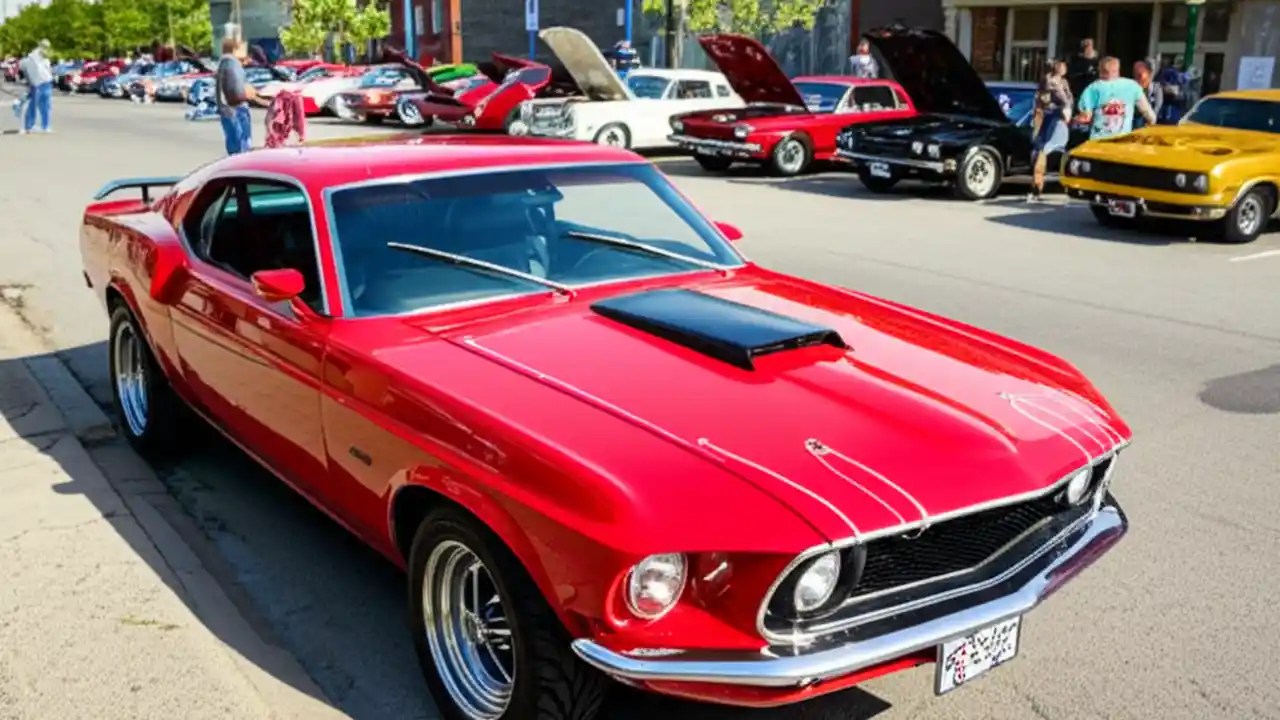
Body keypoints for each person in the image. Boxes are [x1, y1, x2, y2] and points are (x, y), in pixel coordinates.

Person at [1075, 56, 1157, 140]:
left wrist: (1074, 119)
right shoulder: (1132, 86)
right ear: (1117, 70)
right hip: (1122, 141)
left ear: (1100, 70)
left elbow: (1085, 117)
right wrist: (1151, 122)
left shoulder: (1093, 88)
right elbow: (1148, 113)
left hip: (1098, 141)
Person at [1027, 60, 1073, 201]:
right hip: (1052, 119)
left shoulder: (1061, 82)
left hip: (1054, 119)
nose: (1065, 68)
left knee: (1045, 150)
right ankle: (1037, 185)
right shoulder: (1052, 82)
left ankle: (1039, 185)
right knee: (1044, 149)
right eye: (1063, 66)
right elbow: (1064, 101)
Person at [215, 36, 264, 155]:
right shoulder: (231, 64)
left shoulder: (227, 63)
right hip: (235, 109)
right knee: (240, 144)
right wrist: (245, 94)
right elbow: (234, 89)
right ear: (235, 49)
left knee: (236, 142)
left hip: (230, 108)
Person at [18, 39, 53, 134]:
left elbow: (48, 69)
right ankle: (29, 126)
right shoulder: (33, 56)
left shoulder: (46, 57)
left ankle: (45, 126)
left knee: (46, 105)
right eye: (44, 46)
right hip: (36, 83)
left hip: (47, 82)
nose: (46, 48)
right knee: (32, 105)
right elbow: (23, 66)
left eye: (47, 46)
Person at [1131, 60, 1162, 129]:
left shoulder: (1155, 87)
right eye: (1135, 73)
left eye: (1139, 74)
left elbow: (1158, 104)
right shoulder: (1132, 86)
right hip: (1135, 118)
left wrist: (1151, 118)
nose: (1137, 76)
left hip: (1149, 118)